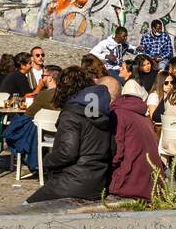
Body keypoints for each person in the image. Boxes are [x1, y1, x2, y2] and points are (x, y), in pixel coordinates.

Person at [27, 67, 113, 202]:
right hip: (98, 182)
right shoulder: (102, 112)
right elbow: (112, 148)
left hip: (71, 182)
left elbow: (67, 152)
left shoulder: (72, 114)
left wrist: (46, 161)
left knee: (26, 208)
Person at [110, 80, 161, 201]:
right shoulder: (146, 120)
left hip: (127, 184)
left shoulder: (118, 114)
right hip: (153, 185)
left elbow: (116, 154)